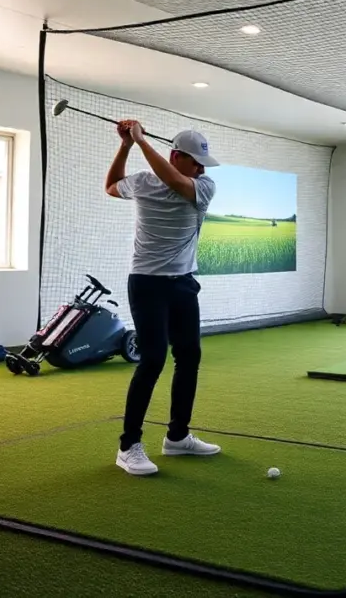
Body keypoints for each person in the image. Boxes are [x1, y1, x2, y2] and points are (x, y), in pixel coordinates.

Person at [105, 119, 221, 476]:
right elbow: (111, 186)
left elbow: (174, 181)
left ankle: (177, 437)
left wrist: (140, 142)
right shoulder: (141, 182)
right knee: (153, 359)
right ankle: (128, 446)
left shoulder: (203, 186)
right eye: (196, 161)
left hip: (183, 283)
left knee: (189, 356)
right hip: (147, 283)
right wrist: (126, 145)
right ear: (176, 155)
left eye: (203, 163)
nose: (202, 168)